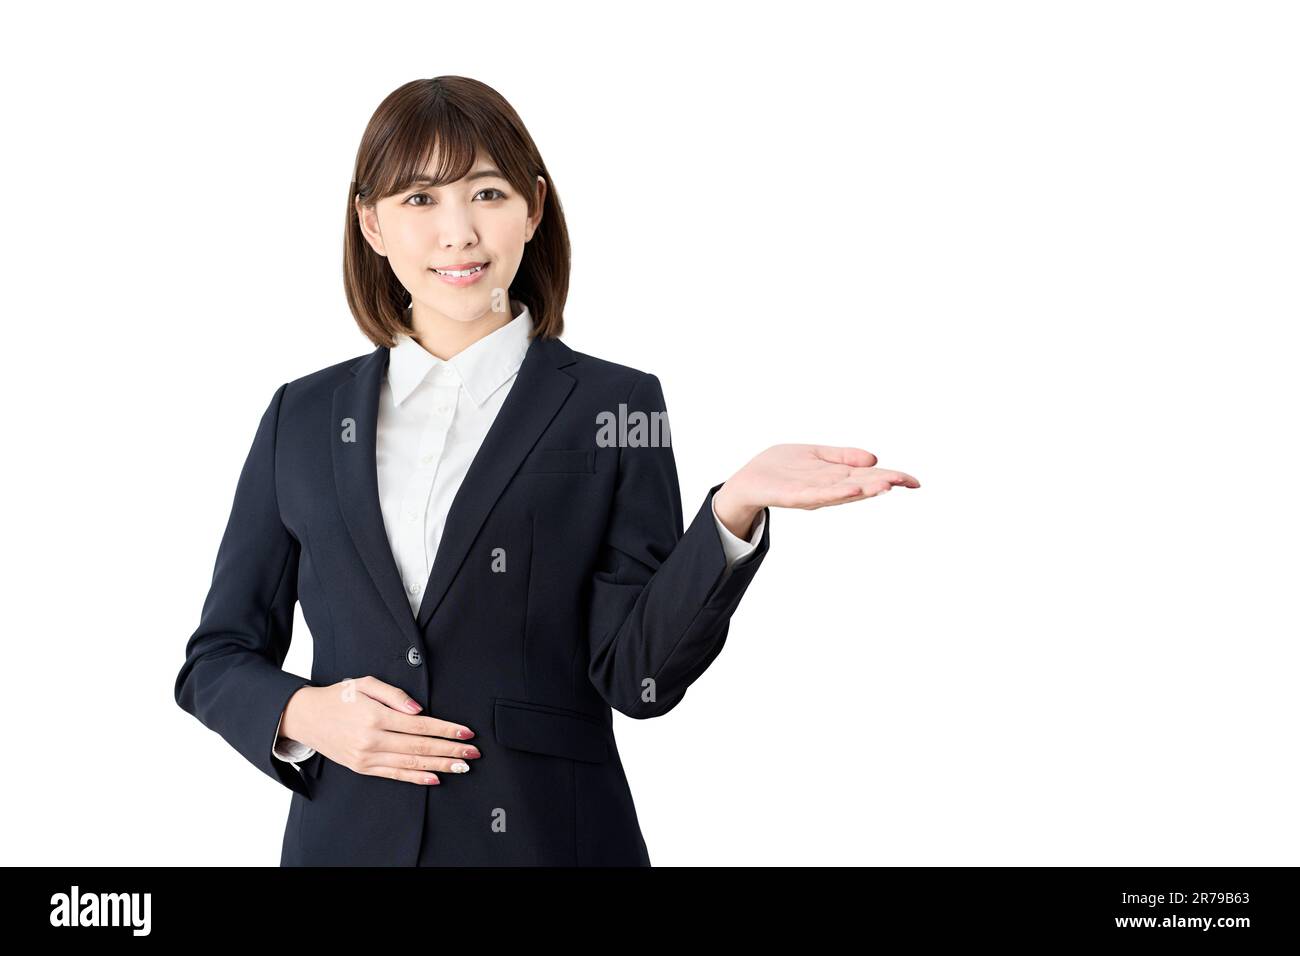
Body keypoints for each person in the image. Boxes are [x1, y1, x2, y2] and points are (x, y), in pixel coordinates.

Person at [174, 75, 920, 866]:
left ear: (532, 207)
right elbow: (217, 658)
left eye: (486, 194)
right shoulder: (303, 416)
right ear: (371, 223)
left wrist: (730, 513)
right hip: (346, 844)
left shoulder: (617, 404)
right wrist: (306, 713)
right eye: (420, 200)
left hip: (545, 841)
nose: (458, 233)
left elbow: (638, 679)